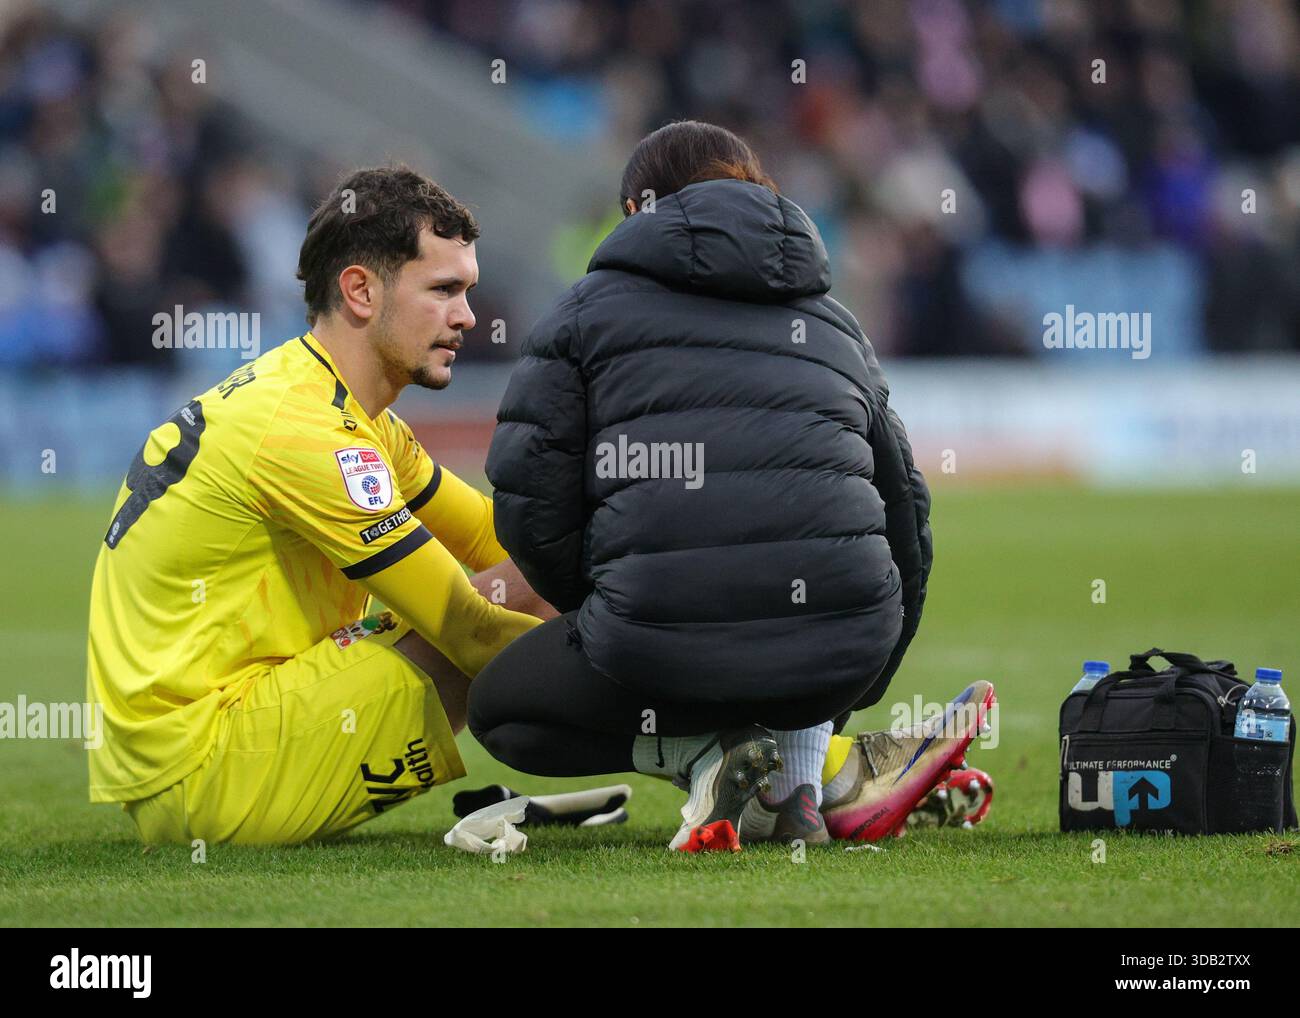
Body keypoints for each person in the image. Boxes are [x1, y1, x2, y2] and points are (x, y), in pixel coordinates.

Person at [470, 121, 993, 851]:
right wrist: (869, 664)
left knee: (500, 709)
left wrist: (599, 602)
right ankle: (804, 785)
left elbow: (530, 501)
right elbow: (907, 509)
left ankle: (709, 757)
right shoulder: (836, 325)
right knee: (810, 588)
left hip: (657, 643)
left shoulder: (583, 314)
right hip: (840, 645)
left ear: (635, 210)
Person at [86, 166, 554, 845]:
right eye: (443, 290)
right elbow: (470, 629)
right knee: (494, 606)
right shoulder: (303, 429)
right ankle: (680, 746)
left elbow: (502, 540)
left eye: (468, 291)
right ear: (360, 290)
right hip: (213, 771)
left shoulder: (333, 407)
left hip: (190, 761)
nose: (467, 317)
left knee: (529, 577)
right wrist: (640, 676)